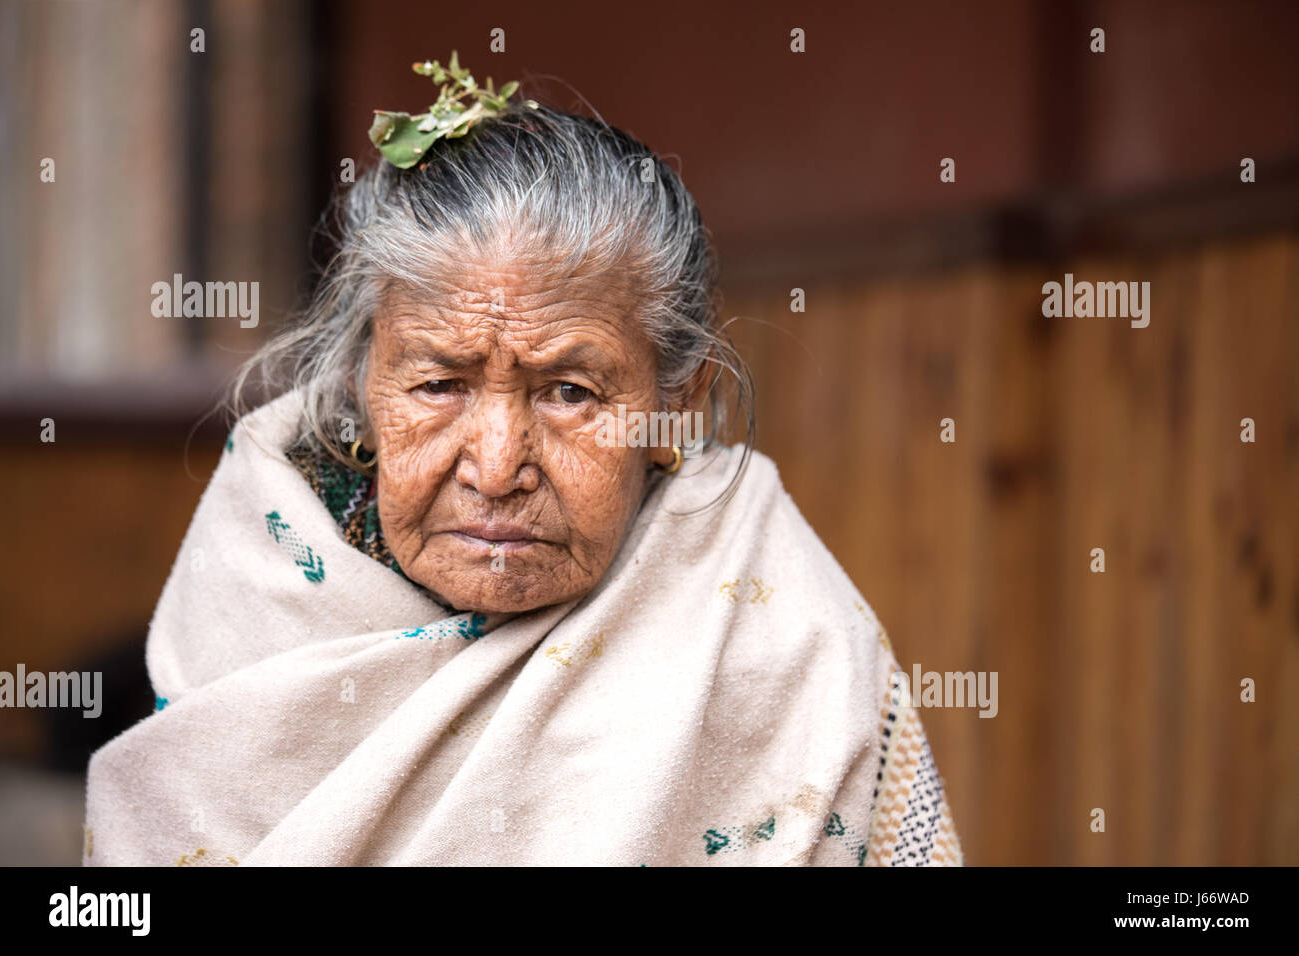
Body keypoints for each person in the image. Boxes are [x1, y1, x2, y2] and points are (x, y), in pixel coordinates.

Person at [84, 58, 963, 866]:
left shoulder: (777, 634)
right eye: (439, 385)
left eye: (570, 393)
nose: (498, 467)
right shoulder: (253, 581)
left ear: (675, 408)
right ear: (361, 384)